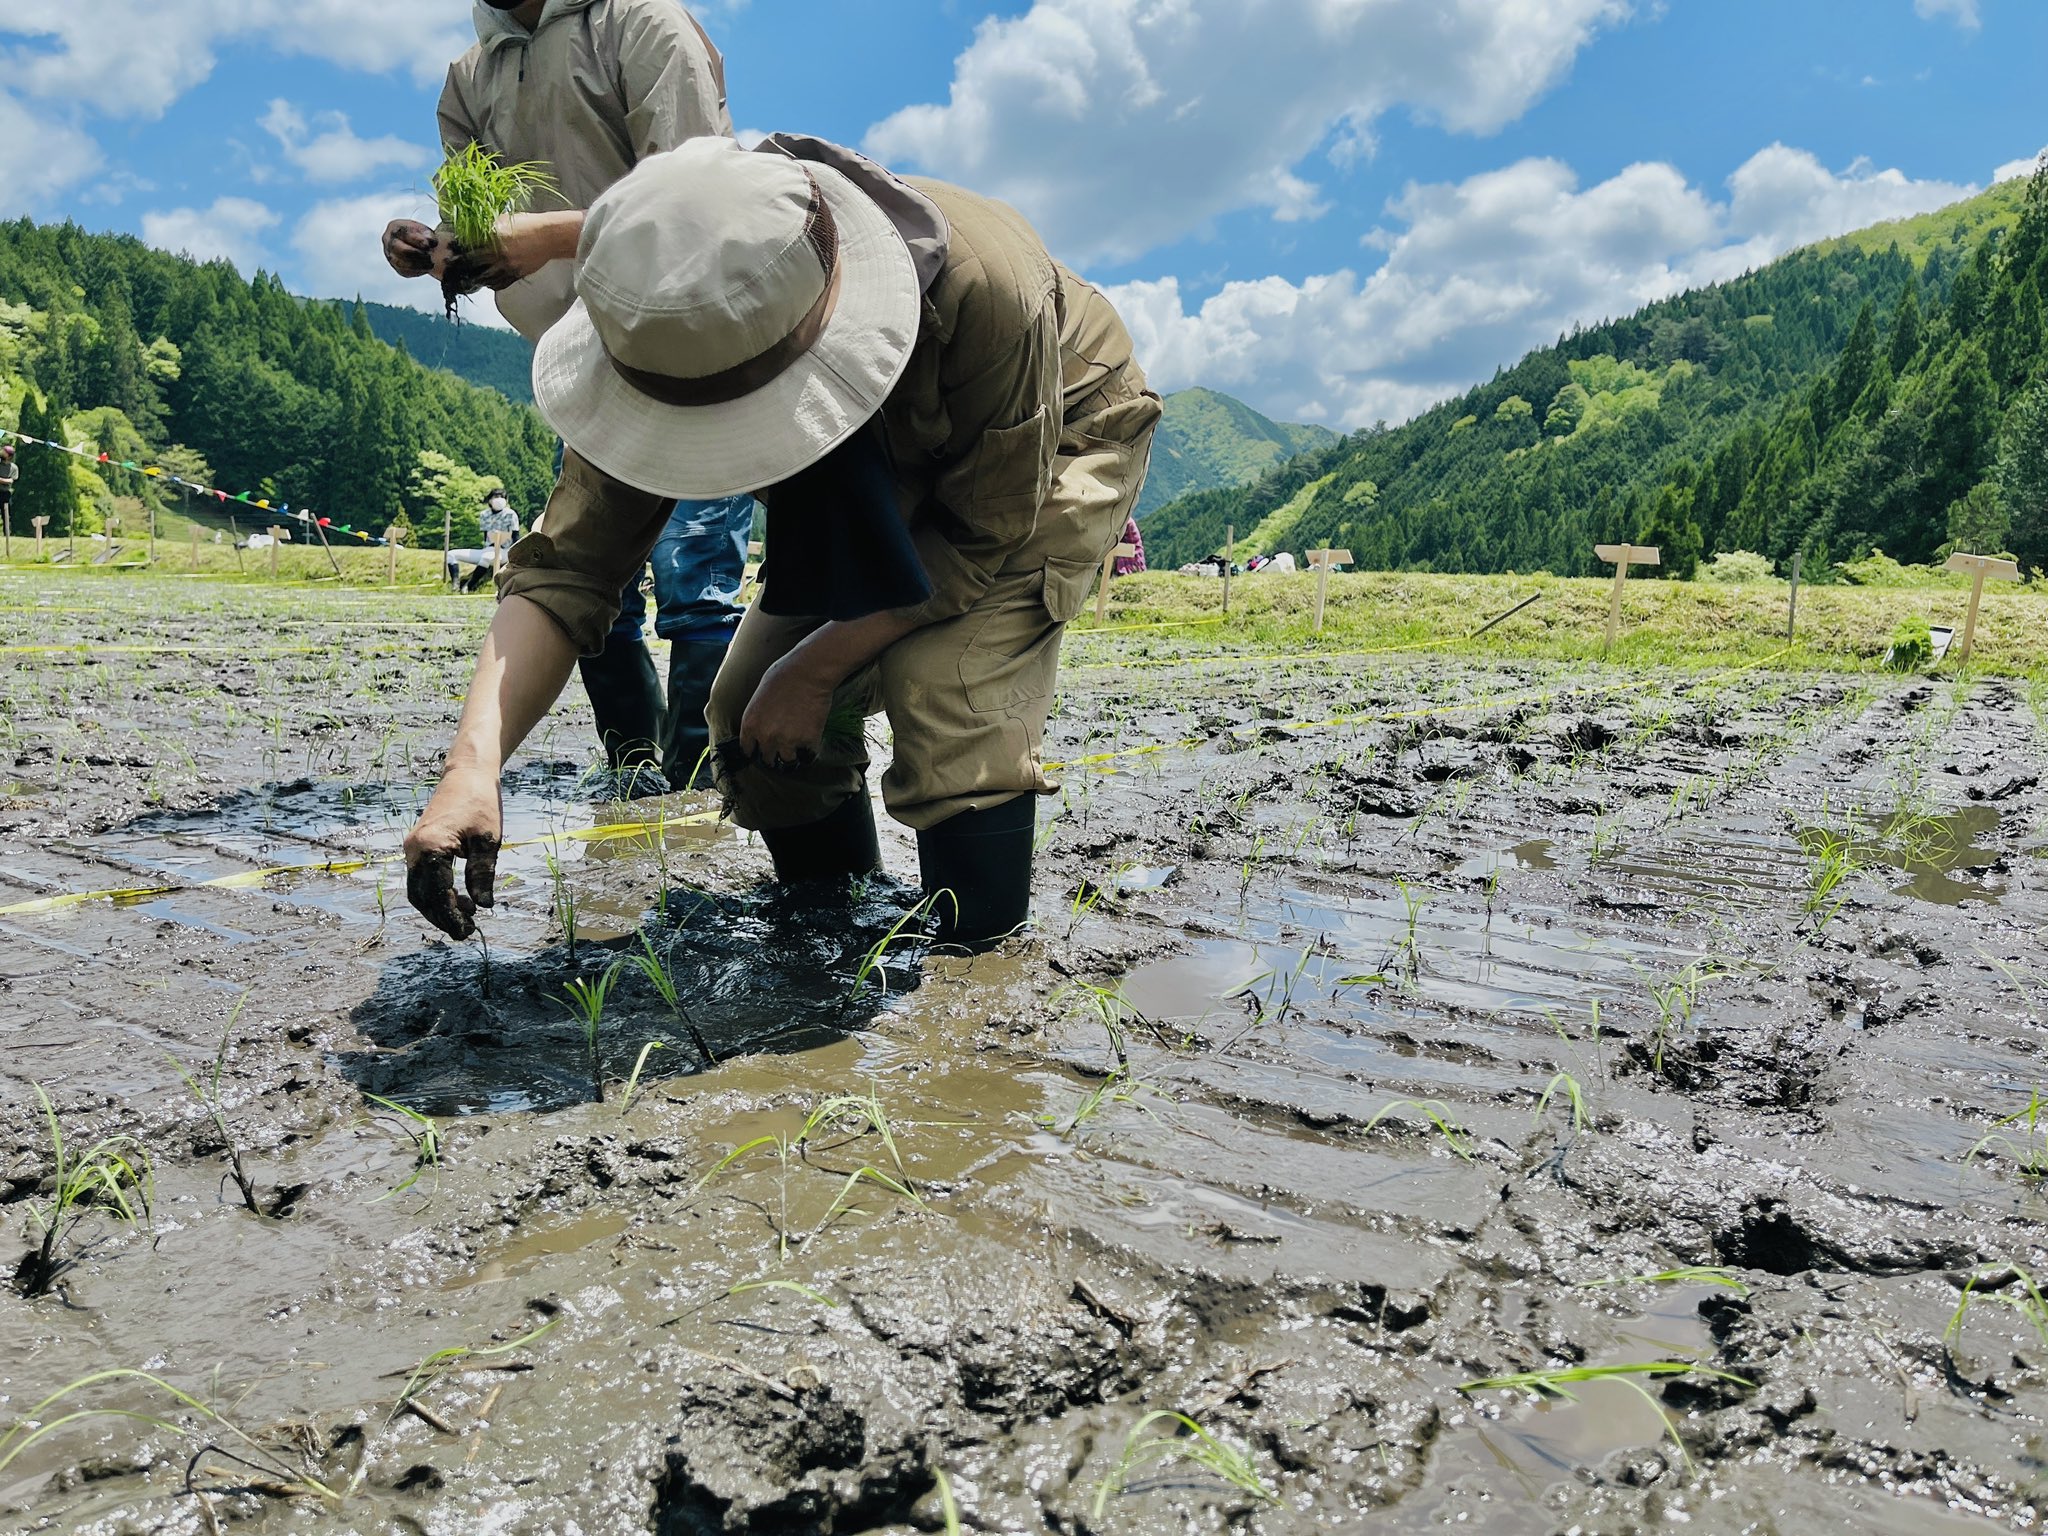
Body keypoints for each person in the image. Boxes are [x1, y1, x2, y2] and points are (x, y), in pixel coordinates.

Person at [403, 136, 1161, 951]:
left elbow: (980, 534)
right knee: (744, 714)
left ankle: (975, 965)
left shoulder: (985, 284)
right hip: (873, 469)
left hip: (1051, 438)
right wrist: (470, 770)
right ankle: (834, 924)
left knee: (948, 687)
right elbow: (567, 571)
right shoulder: (654, 326)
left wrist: (818, 666)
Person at [382, 0, 753, 789]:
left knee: (695, 576)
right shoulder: (470, 77)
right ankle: (633, 772)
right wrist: (431, 249)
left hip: (690, 337)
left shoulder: (641, 23)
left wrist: (546, 237)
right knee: (588, 577)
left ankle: (697, 782)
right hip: (579, 361)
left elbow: (702, 200)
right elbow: (476, 232)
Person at [0, 446, 16, 541]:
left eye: (4, 452)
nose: (1, 452)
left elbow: (10, 481)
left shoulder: (13, 468)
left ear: (9, 456)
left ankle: (7, 535)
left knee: (6, 515)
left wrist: (1, 480)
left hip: (5, 494)